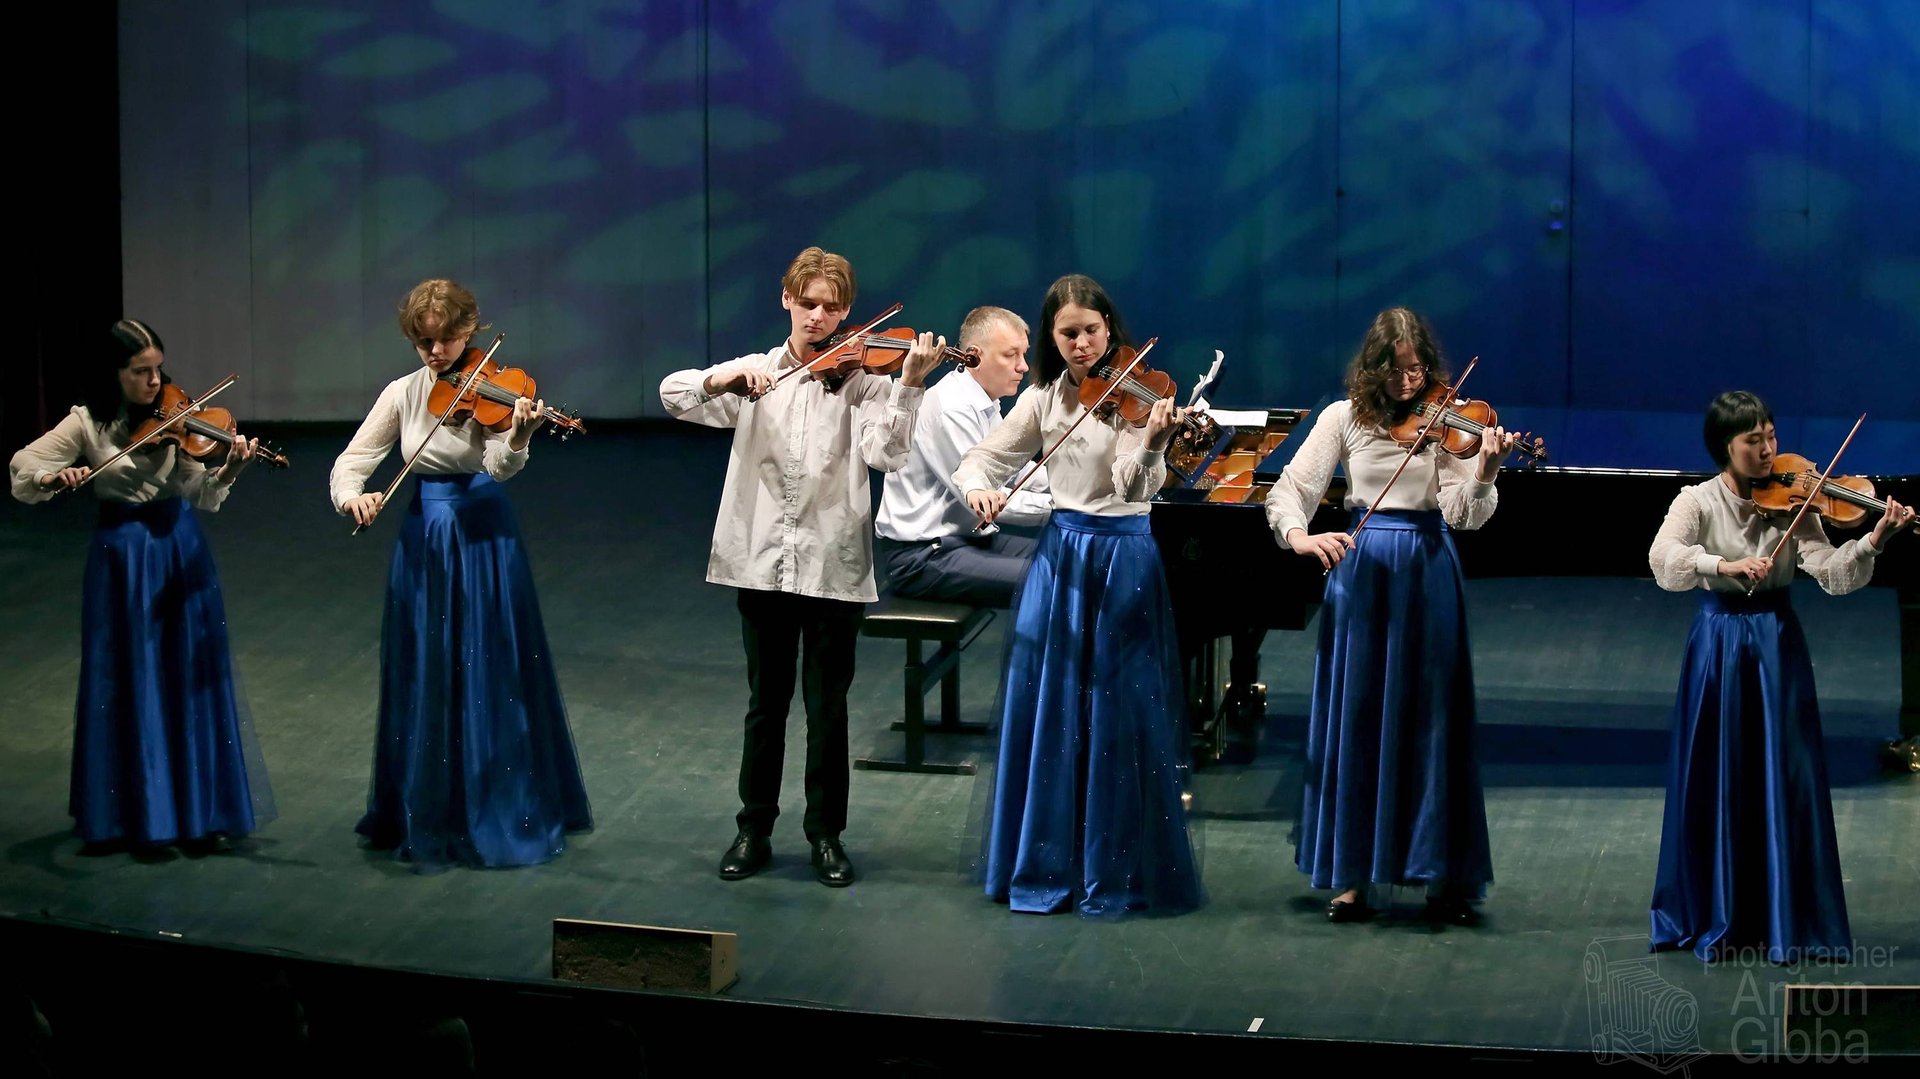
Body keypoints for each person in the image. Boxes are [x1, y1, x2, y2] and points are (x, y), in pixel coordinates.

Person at [660, 246, 939, 887]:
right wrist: (719, 382)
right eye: (808, 303)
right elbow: (673, 394)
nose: (819, 316)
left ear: (846, 312)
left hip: (833, 565)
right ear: (786, 300)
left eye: (832, 306)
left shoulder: (866, 381)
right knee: (766, 704)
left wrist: (911, 384)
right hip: (760, 564)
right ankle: (753, 827)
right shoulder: (756, 373)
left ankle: (826, 836)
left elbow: (886, 453)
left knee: (828, 707)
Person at [955, 273, 1201, 915]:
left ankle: (1115, 871)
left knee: (1120, 713)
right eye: (1069, 334)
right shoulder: (1042, 398)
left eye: (1092, 331)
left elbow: (1134, 485)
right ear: (1053, 339)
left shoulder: (1137, 398)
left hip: (1122, 555)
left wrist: (1151, 440)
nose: (1083, 344)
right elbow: (981, 459)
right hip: (1062, 556)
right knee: (1052, 710)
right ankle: (1045, 862)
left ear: (1108, 330)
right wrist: (979, 487)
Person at [1262, 306, 1516, 925]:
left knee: (1433, 721)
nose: (1410, 382)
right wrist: (1301, 537)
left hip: (1428, 568)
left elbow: (1463, 514)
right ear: (1374, 369)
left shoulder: (1449, 423)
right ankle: (1350, 877)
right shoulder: (1343, 418)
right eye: (1398, 370)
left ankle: (1440, 875)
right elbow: (1288, 489)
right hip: (1364, 570)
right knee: (1357, 718)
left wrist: (1482, 471)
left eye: (1419, 368)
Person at [330, 278, 591, 868]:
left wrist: (520, 433)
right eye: (424, 343)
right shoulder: (402, 392)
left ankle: (498, 804)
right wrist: (354, 498)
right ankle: (424, 806)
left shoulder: (492, 390)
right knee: (427, 666)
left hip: (481, 535)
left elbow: (499, 467)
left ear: (469, 332)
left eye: (446, 340)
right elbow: (353, 460)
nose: (436, 354)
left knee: (490, 663)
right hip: (425, 533)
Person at [1647, 390, 1913, 963]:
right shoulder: (1696, 501)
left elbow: (1831, 573)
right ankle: (1715, 910)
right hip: (1719, 645)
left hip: (1776, 644)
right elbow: (1663, 558)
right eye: (1754, 441)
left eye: (1771, 436)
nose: (1769, 450)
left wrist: (1873, 539)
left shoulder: (1800, 503)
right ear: (1726, 446)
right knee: (1717, 770)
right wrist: (1723, 564)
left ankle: (1784, 911)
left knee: (1783, 772)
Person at [9, 319, 271, 851]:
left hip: (179, 547)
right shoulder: (86, 423)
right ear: (115, 374)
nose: (155, 383)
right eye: (140, 373)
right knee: (129, 675)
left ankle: (196, 811)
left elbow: (199, 491)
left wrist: (231, 469)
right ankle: (136, 814)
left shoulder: (176, 414)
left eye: (158, 369)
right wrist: (51, 477)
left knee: (186, 672)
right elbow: (25, 463)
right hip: (123, 558)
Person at [875, 305, 1051, 607]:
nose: (1023, 366)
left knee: (1072, 566)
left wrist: (1076, 486)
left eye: (1023, 354)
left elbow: (1015, 471)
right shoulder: (952, 408)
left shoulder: (982, 402)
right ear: (974, 355)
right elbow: (985, 501)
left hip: (968, 543)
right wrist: (1063, 508)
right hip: (922, 556)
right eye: (1011, 355)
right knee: (1049, 584)